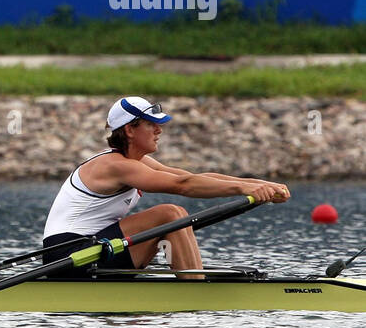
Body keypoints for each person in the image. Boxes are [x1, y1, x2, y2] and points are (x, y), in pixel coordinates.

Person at [41, 96, 291, 278]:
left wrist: (260, 185)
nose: (159, 130)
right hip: (68, 256)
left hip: (97, 249)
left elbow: (190, 176)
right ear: (129, 130)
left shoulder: (138, 162)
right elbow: (183, 186)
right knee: (169, 214)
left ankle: (193, 279)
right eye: (151, 124)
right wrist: (242, 190)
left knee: (176, 216)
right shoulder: (114, 165)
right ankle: (194, 288)